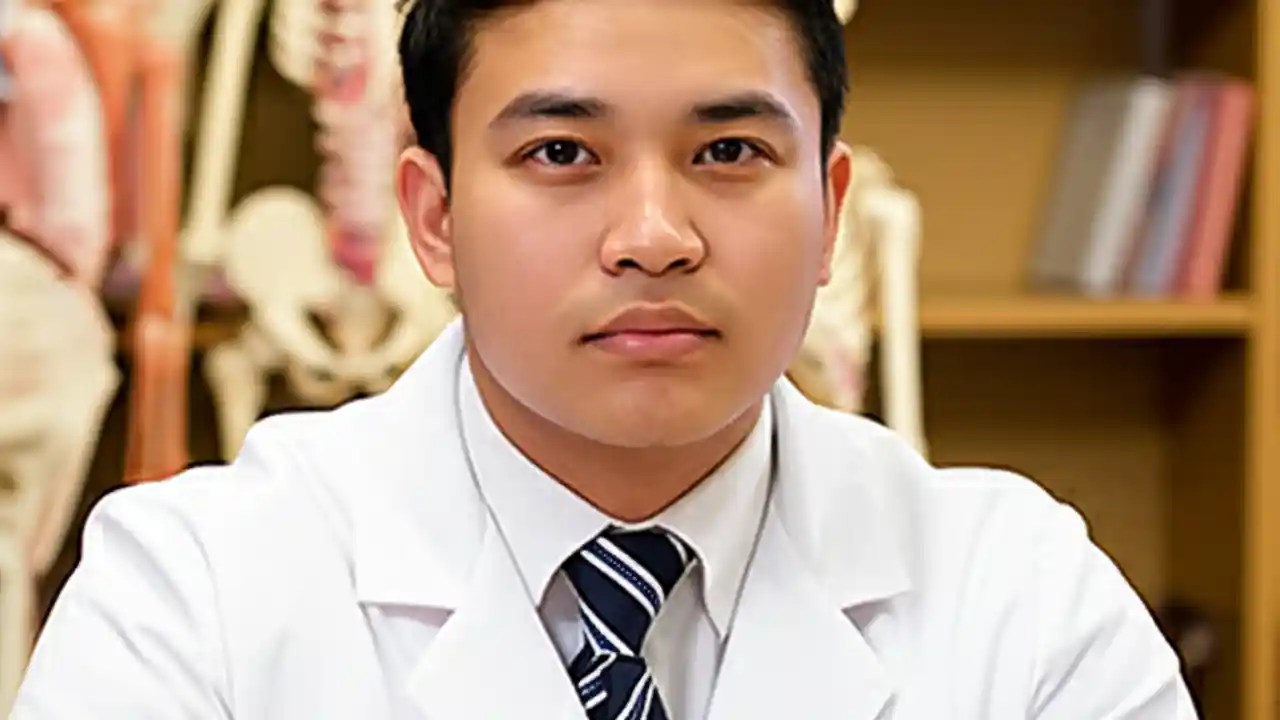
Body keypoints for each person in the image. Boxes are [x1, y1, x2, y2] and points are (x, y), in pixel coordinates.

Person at [12, 0, 1197, 718]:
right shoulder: (189, 600)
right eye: (561, 154)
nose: (652, 238)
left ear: (830, 211)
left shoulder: (1020, 597)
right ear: (432, 217)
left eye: (727, 151)